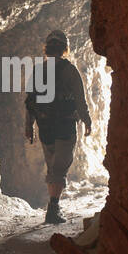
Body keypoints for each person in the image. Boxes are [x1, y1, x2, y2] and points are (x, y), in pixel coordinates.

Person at [25, 29, 93, 225]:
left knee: (52, 167)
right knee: (59, 169)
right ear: (65, 49)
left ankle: (53, 205)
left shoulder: (38, 70)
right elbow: (80, 100)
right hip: (64, 125)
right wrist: (87, 121)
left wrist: (29, 126)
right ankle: (53, 207)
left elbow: (30, 102)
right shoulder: (70, 70)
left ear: (46, 49)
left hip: (45, 125)